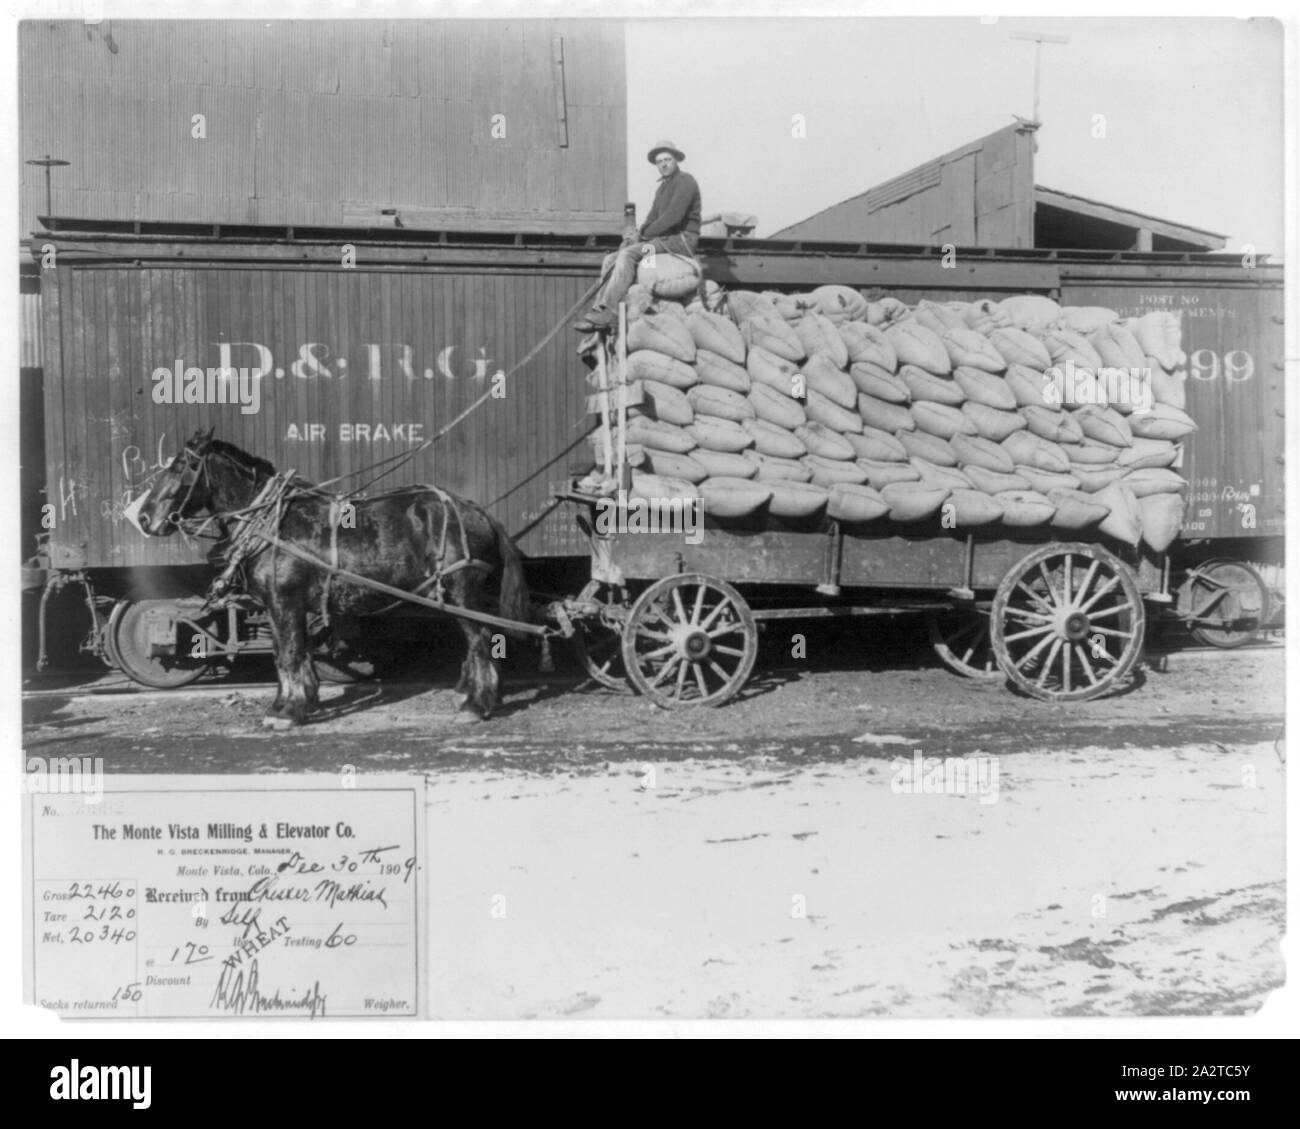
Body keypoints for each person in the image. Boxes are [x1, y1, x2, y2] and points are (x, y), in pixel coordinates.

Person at [574, 140, 701, 332]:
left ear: (676, 160)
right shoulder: (662, 188)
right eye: (659, 162)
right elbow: (652, 218)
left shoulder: (685, 181)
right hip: (661, 241)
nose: (664, 164)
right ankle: (600, 309)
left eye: (667, 159)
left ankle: (611, 312)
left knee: (629, 255)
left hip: (680, 240)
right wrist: (637, 235)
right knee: (611, 259)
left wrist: (644, 235)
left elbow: (673, 217)